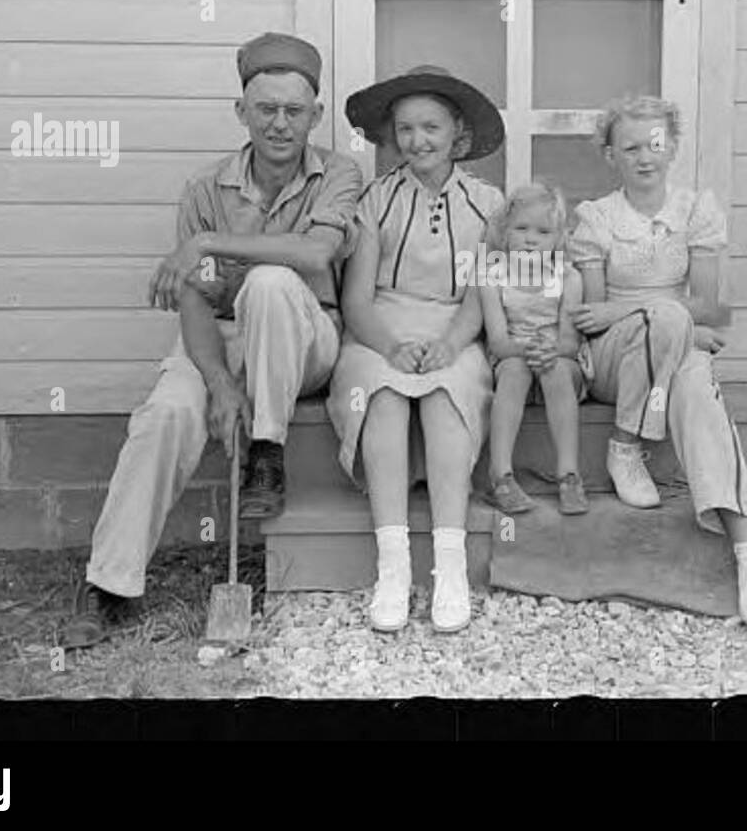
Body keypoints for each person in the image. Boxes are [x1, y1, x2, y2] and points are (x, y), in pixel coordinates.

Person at [61, 33, 362, 648]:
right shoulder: (206, 189)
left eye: (295, 111)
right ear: (241, 112)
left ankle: (267, 452)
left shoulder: (338, 172)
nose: (280, 124)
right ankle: (109, 583)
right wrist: (221, 384)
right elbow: (195, 299)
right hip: (219, 338)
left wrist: (205, 243)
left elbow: (314, 252)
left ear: (317, 116)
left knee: (274, 283)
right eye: (266, 109)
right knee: (166, 414)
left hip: (306, 340)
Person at [568, 95, 747, 626]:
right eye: (630, 146)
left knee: (698, 388)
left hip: (676, 350)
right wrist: (675, 319)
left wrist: (669, 316)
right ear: (611, 155)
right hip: (618, 358)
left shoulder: (695, 210)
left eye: (656, 144)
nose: (645, 156)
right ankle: (625, 442)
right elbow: (595, 316)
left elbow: (709, 304)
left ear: (674, 147)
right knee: (669, 325)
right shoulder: (596, 217)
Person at [327, 65, 504, 634]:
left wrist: (452, 345)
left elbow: (483, 291)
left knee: (446, 397)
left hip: (456, 328)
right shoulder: (377, 199)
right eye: (405, 129)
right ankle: (394, 566)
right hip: (381, 327)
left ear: (458, 134)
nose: (417, 140)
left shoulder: (487, 204)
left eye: (431, 127)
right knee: (380, 393)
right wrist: (390, 345)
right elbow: (356, 301)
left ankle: (449, 565)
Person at [478, 181, 590, 516]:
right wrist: (526, 351)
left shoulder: (568, 279)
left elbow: (571, 342)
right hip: (513, 359)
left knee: (554, 369)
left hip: (558, 361)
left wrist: (550, 351)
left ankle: (568, 474)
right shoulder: (492, 277)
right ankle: (501, 474)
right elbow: (497, 340)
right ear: (505, 233)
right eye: (521, 228)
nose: (530, 238)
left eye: (542, 232)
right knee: (513, 369)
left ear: (558, 238)